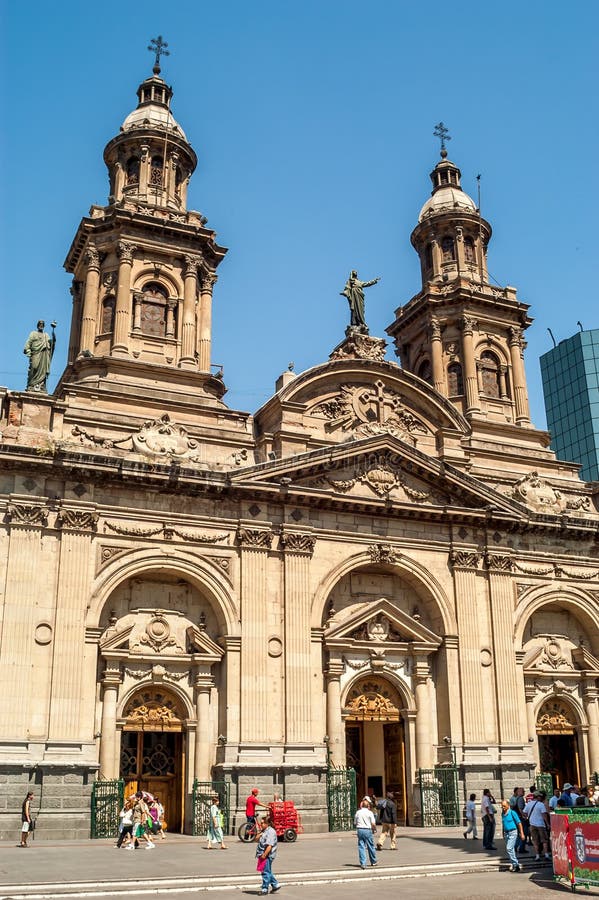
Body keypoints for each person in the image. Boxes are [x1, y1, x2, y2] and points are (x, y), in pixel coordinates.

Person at [24, 320, 56, 393]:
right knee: (34, 367)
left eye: (42, 324)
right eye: (40, 324)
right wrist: (29, 353)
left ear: (44, 326)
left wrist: (54, 339)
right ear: (37, 325)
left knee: (43, 371)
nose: (41, 325)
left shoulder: (46, 335)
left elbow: (50, 345)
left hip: (44, 355)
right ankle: (32, 385)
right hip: (35, 353)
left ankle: (41, 385)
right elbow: (28, 344)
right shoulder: (33, 333)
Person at [256, 813, 281, 894]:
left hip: (267, 855)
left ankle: (265, 889)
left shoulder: (270, 832)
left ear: (267, 824)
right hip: (262, 854)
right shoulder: (264, 831)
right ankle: (275, 885)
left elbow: (269, 845)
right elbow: (256, 839)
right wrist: (259, 834)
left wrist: (264, 855)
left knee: (265, 872)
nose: (261, 824)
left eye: (262, 823)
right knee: (267, 871)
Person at [522, 791, 551, 861]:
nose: (541, 798)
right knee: (544, 840)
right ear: (538, 797)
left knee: (535, 841)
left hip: (532, 825)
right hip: (541, 824)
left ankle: (537, 856)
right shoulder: (541, 804)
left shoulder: (528, 804)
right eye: (540, 796)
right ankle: (546, 855)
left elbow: (524, 812)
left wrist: (527, 817)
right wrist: (547, 824)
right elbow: (544, 815)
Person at [500, 799, 525, 873]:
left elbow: (519, 823)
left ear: (508, 805)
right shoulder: (503, 813)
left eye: (504, 806)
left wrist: (522, 833)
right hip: (506, 833)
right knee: (511, 850)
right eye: (502, 806)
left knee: (509, 848)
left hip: (513, 832)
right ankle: (514, 865)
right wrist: (503, 833)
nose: (503, 808)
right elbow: (503, 823)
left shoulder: (512, 813)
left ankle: (516, 864)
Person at [354, 798, 377, 869]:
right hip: (367, 829)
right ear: (368, 806)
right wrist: (374, 829)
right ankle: (373, 861)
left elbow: (355, 822)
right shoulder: (370, 813)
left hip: (360, 829)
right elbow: (373, 823)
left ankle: (363, 863)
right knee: (371, 845)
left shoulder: (358, 812)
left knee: (361, 846)